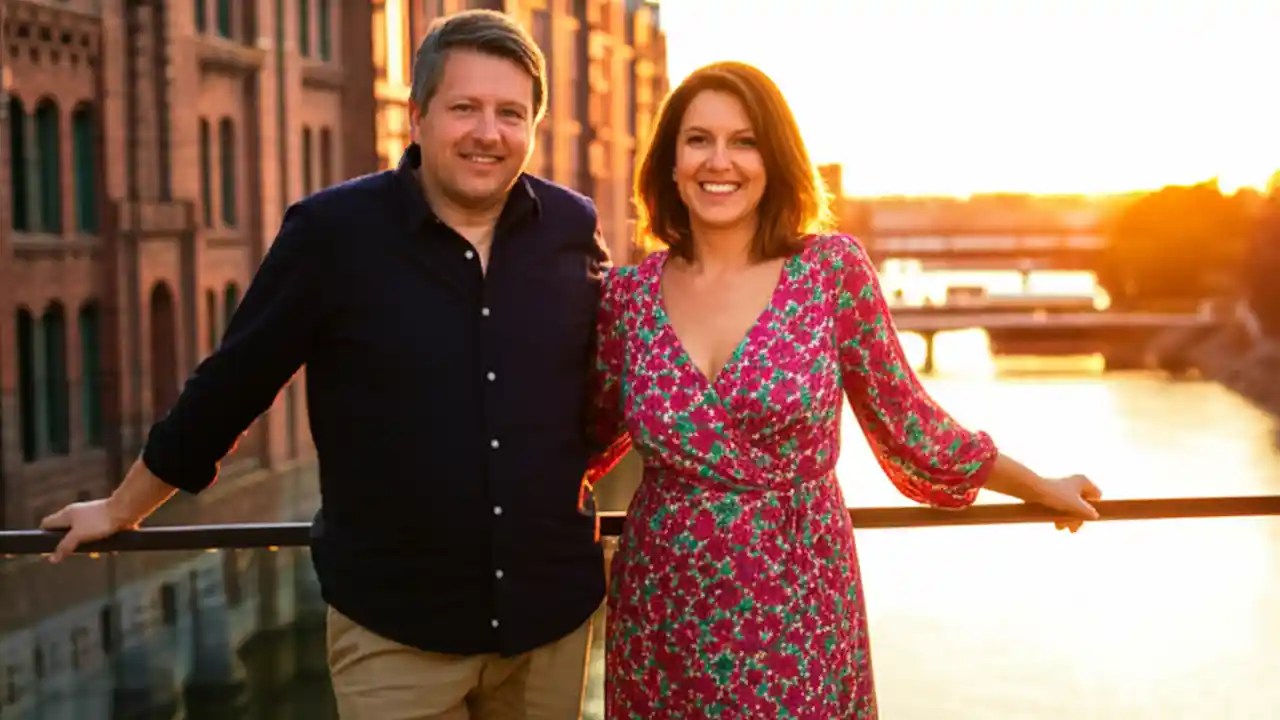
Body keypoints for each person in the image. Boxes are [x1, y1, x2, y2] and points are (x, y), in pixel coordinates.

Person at [41, 10, 609, 720]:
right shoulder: (332, 234)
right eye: (464, 108)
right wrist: (122, 508)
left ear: (532, 126)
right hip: (397, 637)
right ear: (419, 116)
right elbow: (232, 383)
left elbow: (613, 381)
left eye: (510, 113)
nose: (487, 133)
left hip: (548, 630)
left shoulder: (570, 228)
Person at [580, 61, 1103, 718]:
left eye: (745, 140)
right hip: (662, 612)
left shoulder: (830, 272)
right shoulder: (628, 297)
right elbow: (581, 443)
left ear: (775, 159)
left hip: (799, 609)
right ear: (670, 162)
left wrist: (1040, 487)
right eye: (699, 140)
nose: (721, 161)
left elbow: (911, 425)